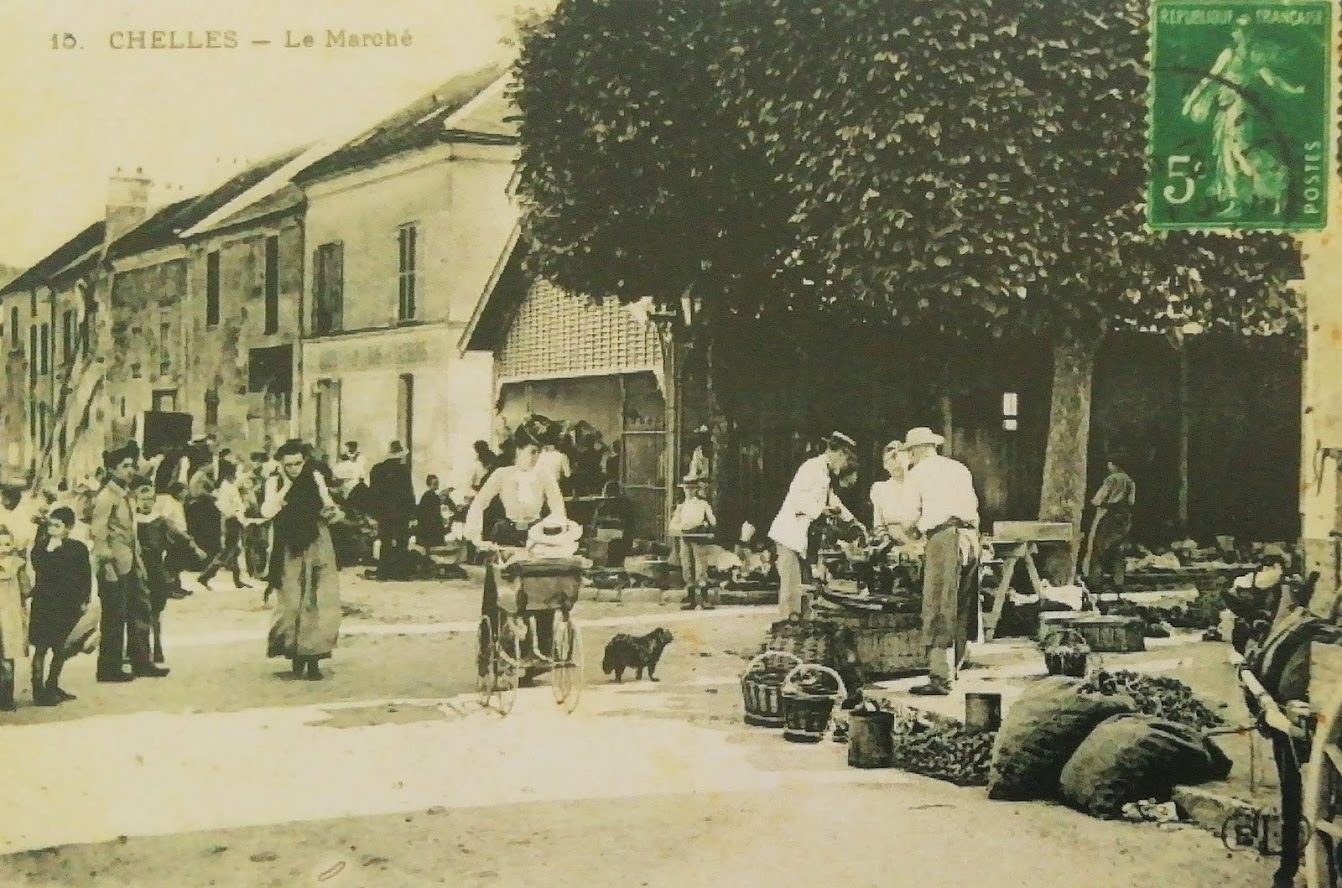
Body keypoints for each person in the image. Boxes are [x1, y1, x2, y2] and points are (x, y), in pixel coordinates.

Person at [1180, 15, 1305, 220]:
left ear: (1250, 32)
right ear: (1235, 32)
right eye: (1239, 29)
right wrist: (1191, 101)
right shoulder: (1230, 54)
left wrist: (1293, 90)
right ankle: (1249, 195)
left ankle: (1272, 181)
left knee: (1238, 152)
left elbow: (1272, 80)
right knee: (1229, 152)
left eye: (1246, 30)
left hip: (1238, 109)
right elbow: (1209, 79)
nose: (1242, 33)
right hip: (1225, 109)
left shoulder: (1252, 57)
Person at [901, 427, 980, 696]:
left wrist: (911, 536)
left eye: (910, 452)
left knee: (938, 604)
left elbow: (909, 518)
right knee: (961, 605)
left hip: (945, 537)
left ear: (915, 451)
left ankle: (940, 678)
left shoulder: (917, 473)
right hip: (970, 537)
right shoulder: (958, 468)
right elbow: (973, 507)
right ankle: (954, 669)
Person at [262, 440, 343, 680]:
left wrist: (332, 512)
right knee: (292, 602)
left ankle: (313, 659)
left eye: (298, 463)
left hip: (317, 542)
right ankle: (295, 654)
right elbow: (267, 511)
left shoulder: (315, 477)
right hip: (288, 545)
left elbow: (329, 505)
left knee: (317, 601)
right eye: (289, 465)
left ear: (304, 461)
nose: (294, 469)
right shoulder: (274, 482)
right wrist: (286, 487)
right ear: (281, 464)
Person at [93, 444, 169, 681]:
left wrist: (138, 563)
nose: (130, 470)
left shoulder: (126, 495)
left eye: (131, 465)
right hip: (114, 566)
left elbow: (130, 532)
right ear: (112, 469)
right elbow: (99, 534)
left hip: (131, 562)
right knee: (114, 617)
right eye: (124, 466)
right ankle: (109, 668)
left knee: (141, 610)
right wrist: (107, 566)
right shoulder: (106, 497)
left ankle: (141, 662)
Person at [767, 432, 861, 619]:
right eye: (846, 460)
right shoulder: (811, 467)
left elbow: (833, 501)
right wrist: (820, 511)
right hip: (789, 534)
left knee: (805, 583)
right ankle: (788, 624)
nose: (845, 465)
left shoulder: (824, 473)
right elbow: (797, 496)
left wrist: (853, 521)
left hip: (802, 536)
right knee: (792, 584)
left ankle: (803, 623)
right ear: (840, 454)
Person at [133, 479, 207, 664]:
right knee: (136, 613)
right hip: (136, 569)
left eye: (149, 499)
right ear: (136, 500)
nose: (146, 503)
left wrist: (196, 548)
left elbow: (180, 535)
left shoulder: (160, 521)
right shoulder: (131, 521)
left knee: (155, 613)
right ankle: (139, 653)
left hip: (156, 570)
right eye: (142, 499)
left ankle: (157, 648)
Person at [27, 507, 93, 706]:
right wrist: (47, 544)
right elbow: (40, 565)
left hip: (66, 604)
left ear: (69, 528)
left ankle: (52, 685)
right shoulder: (41, 548)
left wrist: (85, 600)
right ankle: (38, 691)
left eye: (57, 526)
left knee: (60, 648)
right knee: (40, 648)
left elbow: (85, 577)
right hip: (43, 603)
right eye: (50, 525)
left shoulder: (77, 549)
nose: (52, 529)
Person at [465, 425, 568, 549]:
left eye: (539, 452)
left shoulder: (544, 474)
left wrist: (559, 534)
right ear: (518, 450)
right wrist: (474, 535)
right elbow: (480, 501)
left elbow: (557, 504)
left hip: (536, 534)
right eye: (532, 452)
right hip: (505, 533)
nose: (536, 457)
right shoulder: (502, 474)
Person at [1082, 453, 1137, 597]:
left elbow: (1098, 500)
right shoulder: (1130, 481)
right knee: (1119, 549)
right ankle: (1118, 581)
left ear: (1113, 464)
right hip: (1124, 516)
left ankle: (1095, 581)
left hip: (1108, 514)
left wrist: (1093, 502)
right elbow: (1131, 501)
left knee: (1099, 548)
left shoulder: (1111, 479)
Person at [368, 441, 415, 579]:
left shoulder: (377, 469)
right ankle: (400, 572)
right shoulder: (403, 470)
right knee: (401, 541)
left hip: (384, 511)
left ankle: (384, 571)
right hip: (401, 511)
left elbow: (373, 493)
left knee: (385, 540)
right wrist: (412, 513)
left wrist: (374, 512)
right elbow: (408, 493)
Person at [198, 460, 248, 588]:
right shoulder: (227, 488)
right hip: (232, 520)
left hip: (233, 520)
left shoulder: (229, 486)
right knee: (228, 551)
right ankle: (206, 576)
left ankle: (237, 580)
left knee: (234, 550)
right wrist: (236, 515)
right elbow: (225, 507)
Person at [671, 476, 717, 611]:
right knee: (687, 567)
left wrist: (705, 525)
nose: (689, 491)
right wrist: (680, 528)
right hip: (685, 538)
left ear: (696, 490)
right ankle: (691, 599)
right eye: (687, 488)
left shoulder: (703, 504)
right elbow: (673, 524)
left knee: (701, 568)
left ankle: (704, 600)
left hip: (699, 537)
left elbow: (713, 521)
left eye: (692, 488)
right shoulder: (681, 507)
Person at [0, 525, 31, 710]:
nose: (3, 549)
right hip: (8, 613)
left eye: (7, 544)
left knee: (7, 657)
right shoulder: (17, 564)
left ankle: (6, 697)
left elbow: (26, 589)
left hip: (10, 614)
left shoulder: (17, 565)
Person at [870, 439, 920, 542]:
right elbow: (878, 523)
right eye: (889, 461)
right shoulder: (880, 488)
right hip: (891, 543)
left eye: (898, 458)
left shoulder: (918, 485)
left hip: (918, 539)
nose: (896, 464)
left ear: (908, 460)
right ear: (885, 465)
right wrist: (886, 540)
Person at [416, 475, 448, 549]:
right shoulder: (430, 496)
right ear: (429, 484)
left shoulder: (429, 495)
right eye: (434, 483)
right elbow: (432, 514)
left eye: (437, 483)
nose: (437, 485)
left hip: (428, 524)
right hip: (429, 526)